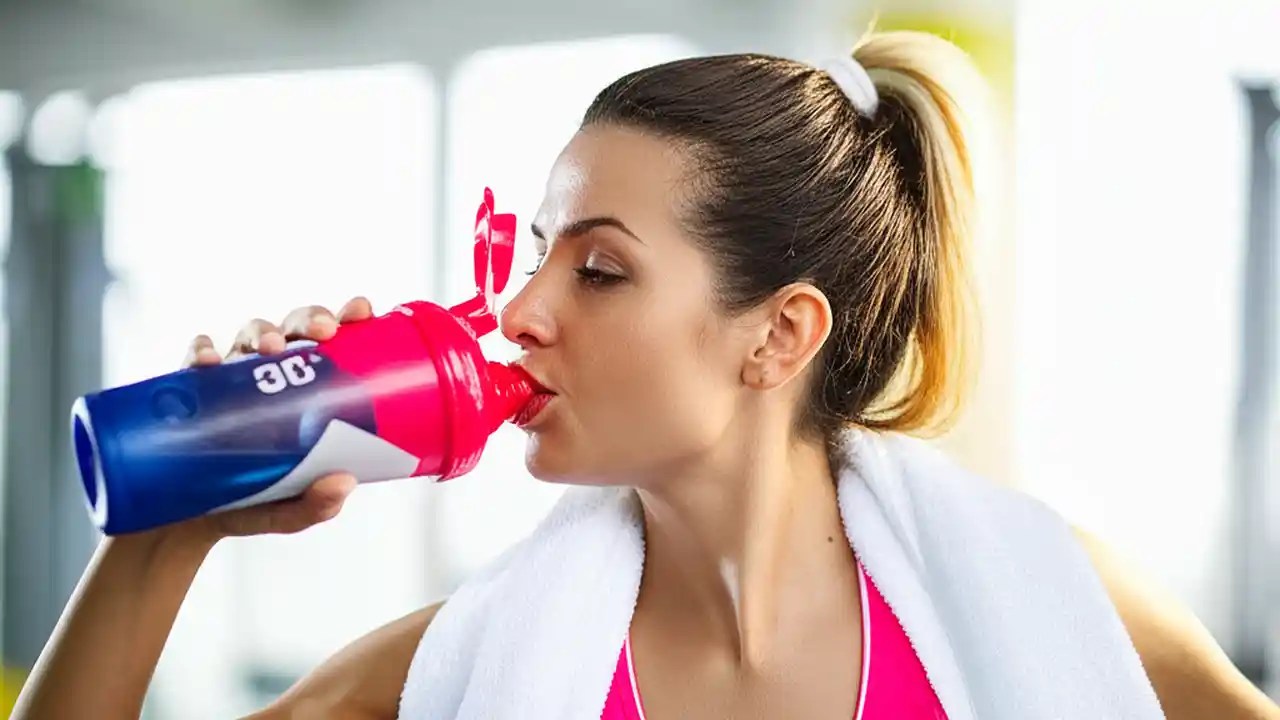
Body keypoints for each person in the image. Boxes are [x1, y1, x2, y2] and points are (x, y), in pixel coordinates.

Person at [13, 30, 1280, 720]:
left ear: (775, 336)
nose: (519, 313)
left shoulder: (1043, 596)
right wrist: (166, 540)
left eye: (599, 271)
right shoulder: (466, 662)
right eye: (535, 257)